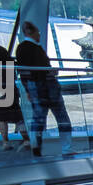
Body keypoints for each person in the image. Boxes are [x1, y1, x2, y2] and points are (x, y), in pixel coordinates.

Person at [15, 21, 73, 157]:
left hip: (34, 88)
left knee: (38, 119)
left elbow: (24, 72)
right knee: (62, 117)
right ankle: (67, 148)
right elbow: (43, 70)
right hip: (49, 88)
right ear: (33, 32)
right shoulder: (37, 49)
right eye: (38, 33)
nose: (39, 35)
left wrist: (28, 90)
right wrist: (52, 72)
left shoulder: (21, 49)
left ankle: (36, 147)